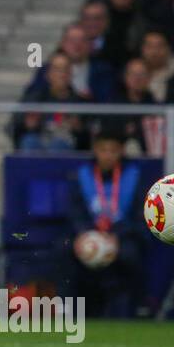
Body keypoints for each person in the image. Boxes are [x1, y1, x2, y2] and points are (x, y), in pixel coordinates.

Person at [62, 128, 148, 318]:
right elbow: (75, 212)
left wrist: (117, 236)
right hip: (89, 234)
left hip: (122, 236)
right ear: (95, 150)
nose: (108, 156)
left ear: (121, 151)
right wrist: (84, 234)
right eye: (103, 150)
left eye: (113, 150)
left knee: (130, 254)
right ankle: (71, 313)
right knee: (65, 251)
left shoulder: (135, 177)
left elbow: (140, 216)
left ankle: (129, 311)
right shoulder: (81, 176)